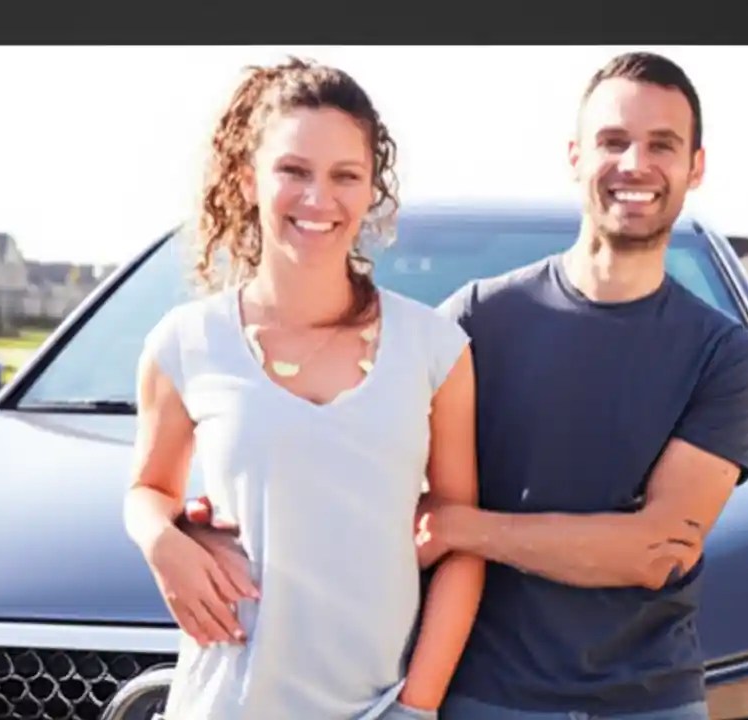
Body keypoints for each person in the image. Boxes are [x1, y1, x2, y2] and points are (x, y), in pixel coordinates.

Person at [123, 57, 484, 720]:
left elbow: (460, 543)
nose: (319, 199)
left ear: (371, 189)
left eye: (345, 176)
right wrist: (161, 542)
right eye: (293, 171)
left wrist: (417, 706)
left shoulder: (436, 351)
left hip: (376, 710)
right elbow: (149, 489)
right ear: (247, 177)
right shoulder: (186, 341)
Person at [416, 51, 748, 719]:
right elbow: (357, 454)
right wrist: (179, 518)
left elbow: (652, 552)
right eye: (613, 141)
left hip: (648, 699)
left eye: (661, 144)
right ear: (575, 155)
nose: (634, 163)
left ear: (695, 166)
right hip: (483, 694)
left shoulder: (721, 354)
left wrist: (464, 527)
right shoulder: (475, 320)